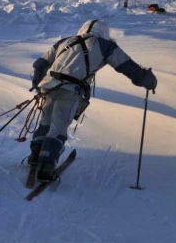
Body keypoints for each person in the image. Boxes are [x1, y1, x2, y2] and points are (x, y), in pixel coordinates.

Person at [28, 18, 156, 181]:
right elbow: (129, 68)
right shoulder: (106, 46)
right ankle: (46, 166)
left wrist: (38, 86)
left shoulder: (64, 41)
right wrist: (148, 80)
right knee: (58, 128)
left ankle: (35, 156)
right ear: (105, 33)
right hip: (70, 91)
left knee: (45, 123)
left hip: (48, 87)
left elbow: (40, 64)